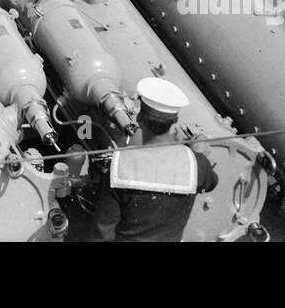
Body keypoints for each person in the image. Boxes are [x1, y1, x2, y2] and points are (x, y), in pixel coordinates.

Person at [92, 77, 217, 243]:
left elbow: (103, 230)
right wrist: (196, 154)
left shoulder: (120, 165)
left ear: (139, 120)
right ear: (174, 123)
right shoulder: (197, 164)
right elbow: (211, 183)